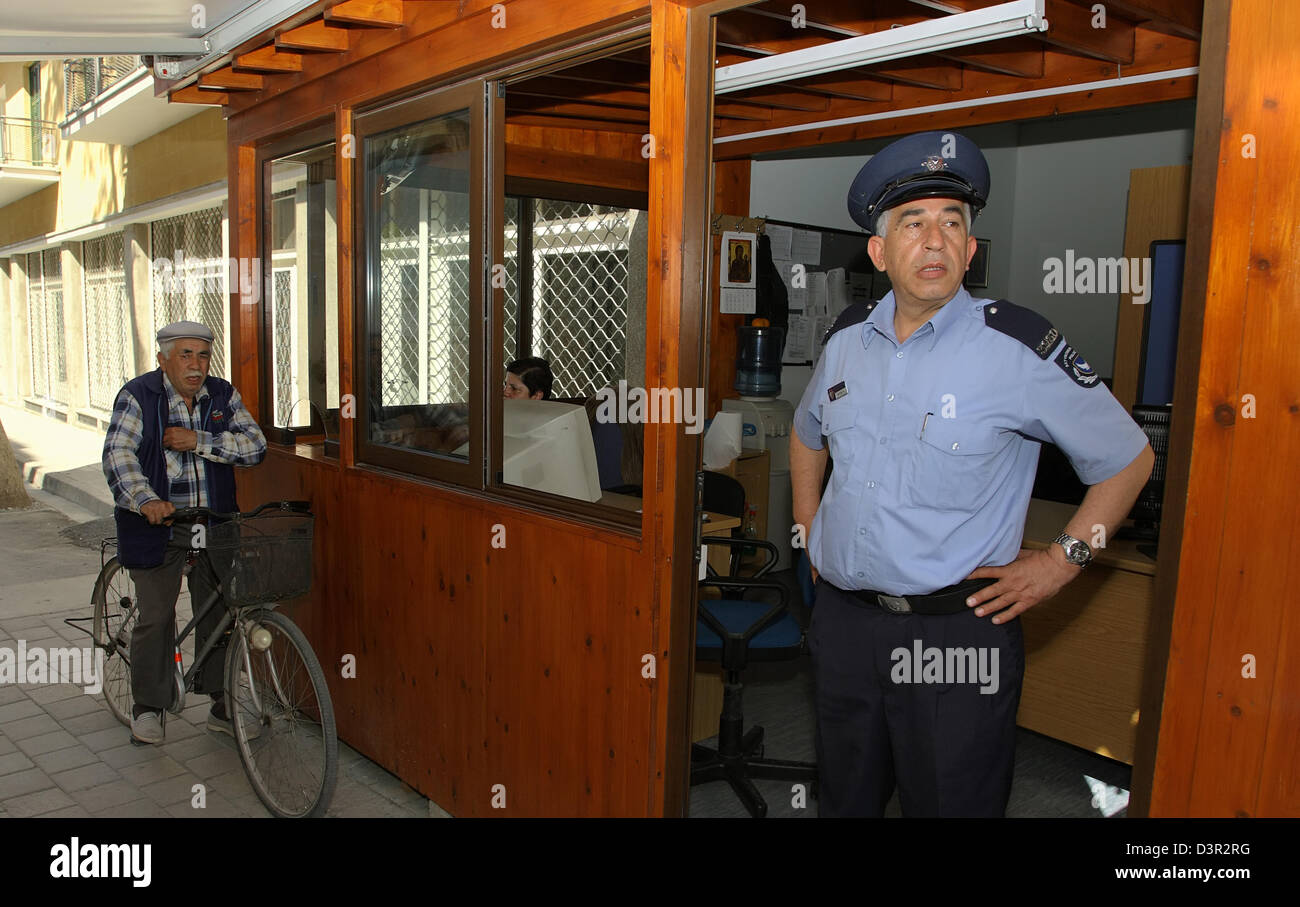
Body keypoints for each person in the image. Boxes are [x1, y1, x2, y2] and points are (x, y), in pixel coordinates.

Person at [790, 130, 1154, 817]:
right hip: (844, 625)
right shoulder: (844, 341)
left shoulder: (1017, 346)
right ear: (878, 250)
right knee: (845, 798)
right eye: (914, 222)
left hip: (954, 632)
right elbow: (806, 435)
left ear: (971, 248)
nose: (935, 240)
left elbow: (1131, 458)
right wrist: (807, 526)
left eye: (952, 222)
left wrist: (1061, 561)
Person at [102, 321, 267, 745]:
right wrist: (146, 500)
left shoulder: (222, 395)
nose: (196, 365)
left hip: (211, 521)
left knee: (218, 614)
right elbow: (119, 456)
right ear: (163, 359)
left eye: (203, 355)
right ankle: (148, 707)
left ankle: (219, 703)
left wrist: (200, 440)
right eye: (185, 355)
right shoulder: (139, 396)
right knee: (156, 615)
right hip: (159, 524)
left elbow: (255, 446)